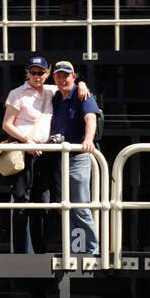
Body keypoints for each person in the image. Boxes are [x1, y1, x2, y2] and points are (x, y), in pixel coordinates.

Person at [2, 56, 90, 252]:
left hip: (46, 154)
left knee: (43, 202)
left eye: (41, 72)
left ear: (47, 74)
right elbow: (7, 124)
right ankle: (23, 252)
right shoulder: (17, 94)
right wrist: (26, 141)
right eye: (33, 72)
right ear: (27, 73)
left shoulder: (52, 91)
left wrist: (82, 84)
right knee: (22, 200)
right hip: (25, 151)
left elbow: (70, 87)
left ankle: (40, 249)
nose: (36, 76)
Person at [29, 60, 100, 257]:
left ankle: (91, 250)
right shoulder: (57, 96)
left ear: (73, 77)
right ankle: (75, 248)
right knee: (66, 206)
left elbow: (91, 118)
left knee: (80, 205)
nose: (62, 79)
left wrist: (88, 139)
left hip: (77, 158)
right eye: (58, 76)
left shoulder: (82, 95)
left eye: (65, 75)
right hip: (58, 159)